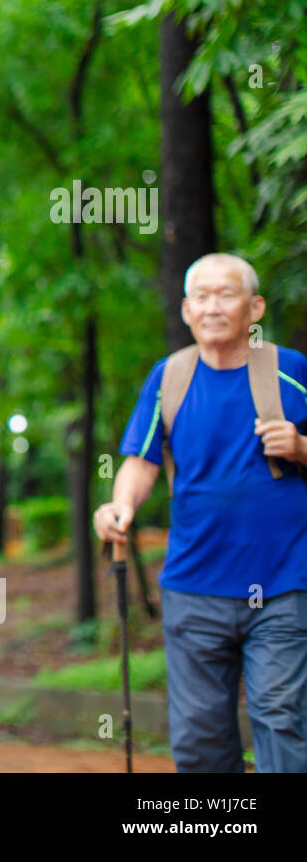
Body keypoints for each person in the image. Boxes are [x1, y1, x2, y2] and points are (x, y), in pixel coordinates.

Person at [94, 252, 307, 772]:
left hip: (282, 584)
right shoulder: (169, 377)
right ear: (186, 309)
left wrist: (301, 447)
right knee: (198, 737)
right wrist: (120, 506)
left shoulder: (290, 370)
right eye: (201, 296)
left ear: (254, 307)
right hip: (194, 586)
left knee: (281, 717)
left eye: (227, 294)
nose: (213, 306)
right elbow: (140, 463)